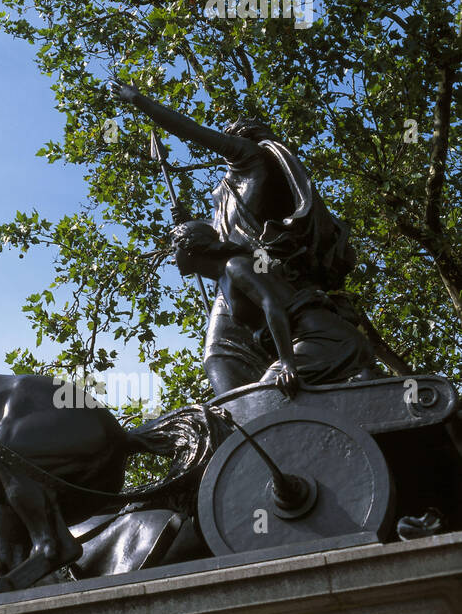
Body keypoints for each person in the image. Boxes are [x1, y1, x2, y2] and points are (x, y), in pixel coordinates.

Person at [113, 81, 357, 394]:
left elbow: (191, 130)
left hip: (254, 267)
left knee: (225, 352)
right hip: (229, 275)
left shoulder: (251, 158)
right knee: (218, 356)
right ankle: (243, 418)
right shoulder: (228, 187)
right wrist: (187, 223)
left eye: (232, 132)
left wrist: (140, 101)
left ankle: (275, 389)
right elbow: (219, 236)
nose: (227, 137)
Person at [168, 220, 378, 393]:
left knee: (264, 395)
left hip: (323, 339)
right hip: (308, 341)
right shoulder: (223, 278)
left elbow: (272, 305)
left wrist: (287, 364)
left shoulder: (236, 265)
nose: (172, 256)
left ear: (189, 248)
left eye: (174, 248)